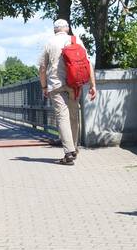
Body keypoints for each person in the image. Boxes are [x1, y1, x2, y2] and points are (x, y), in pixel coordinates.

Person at [38, 18, 97, 165]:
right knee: (73, 116)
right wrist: (92, 85)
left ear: (54, 30)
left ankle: (69, 153)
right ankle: (74, 148)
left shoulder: (49, 43)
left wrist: (44, 86)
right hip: (74, 85)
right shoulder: (76, 41)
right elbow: (87, 63)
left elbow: (42, 68)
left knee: (62, 117)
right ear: (68, 28)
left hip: (56, 85)